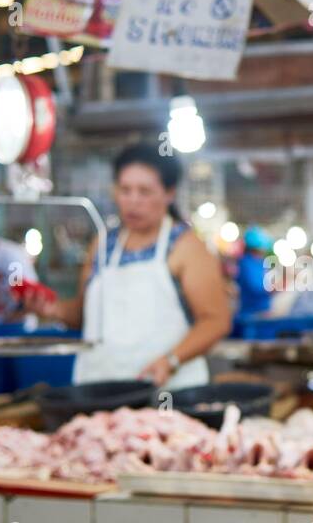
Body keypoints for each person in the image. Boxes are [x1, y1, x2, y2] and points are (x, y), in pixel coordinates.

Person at [25, 143, 231, 388]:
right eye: (125, 190)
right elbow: (86, 315)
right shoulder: (102, 244)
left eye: (144, 191)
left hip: (167, 394)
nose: (133, 201)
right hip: (100, 389)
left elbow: (216, 320)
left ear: (169, 193)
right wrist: (54, 310)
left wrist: (171, 361)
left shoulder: (186, 246)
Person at [235, 226, 274, 318]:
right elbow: (256, 289)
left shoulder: (258, 263)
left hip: (260, 312)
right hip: (252, 315)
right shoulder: (247, 264)